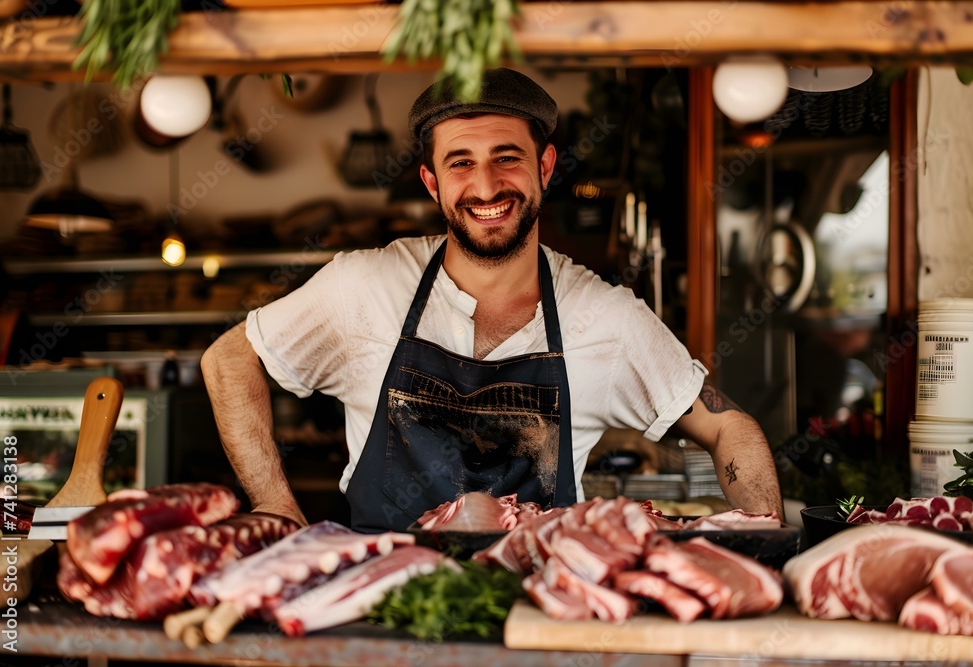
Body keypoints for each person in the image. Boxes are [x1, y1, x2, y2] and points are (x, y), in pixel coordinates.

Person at [201, 69, 782, 531]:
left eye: (507, 156)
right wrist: (274, 504)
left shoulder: (605, 317)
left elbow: (729, 429)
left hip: (537, 613)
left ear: (545, 167)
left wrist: (764, 540)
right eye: (461, 163)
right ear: (432, 182)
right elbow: (228, 358)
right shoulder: (364, 287)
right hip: (381, 609)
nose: (485, 186)